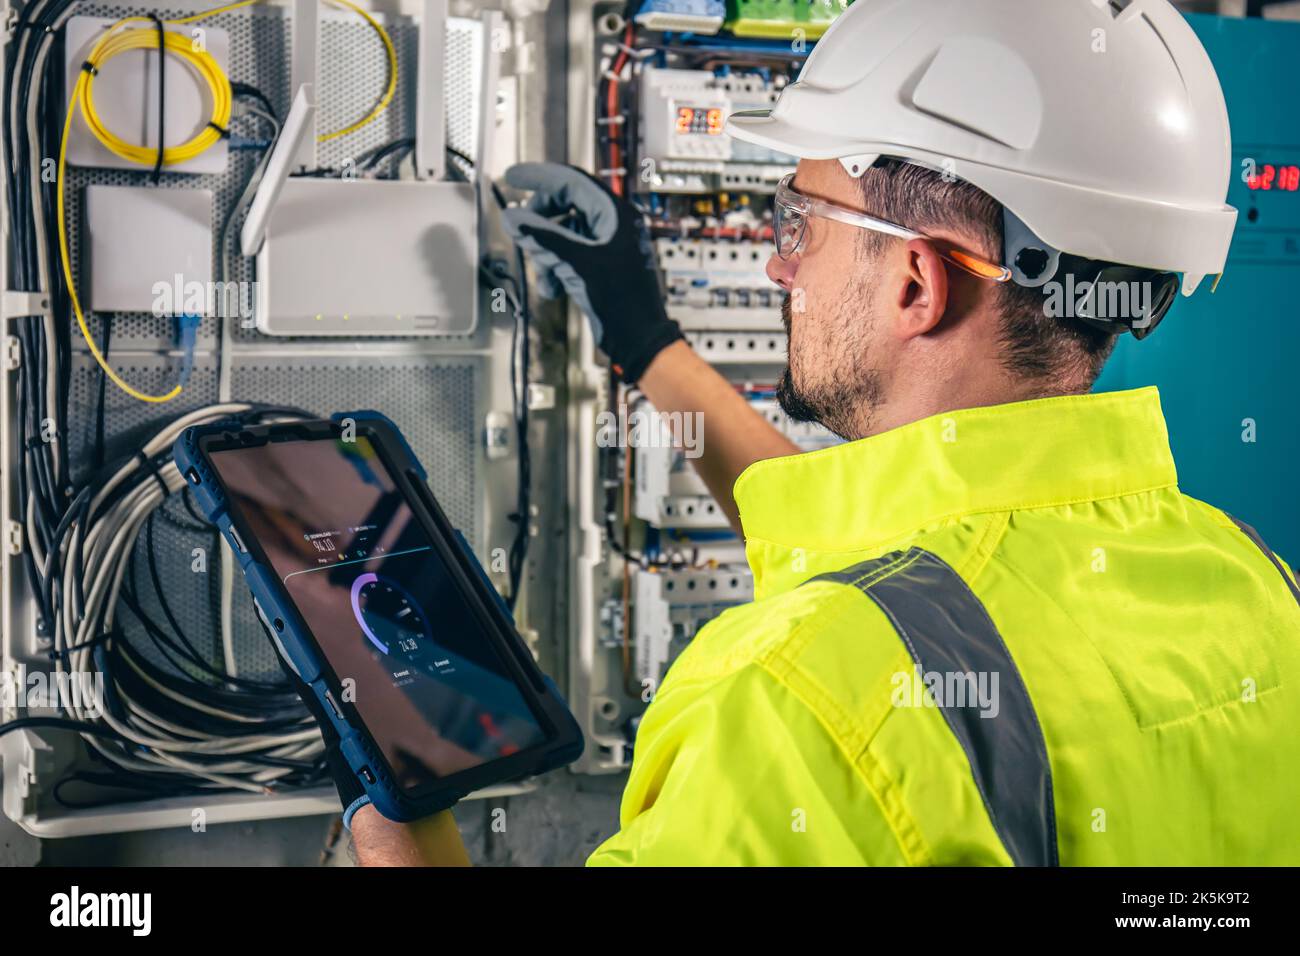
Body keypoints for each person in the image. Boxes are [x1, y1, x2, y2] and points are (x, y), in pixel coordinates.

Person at [345, 0, 1300, 865]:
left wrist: (395, 821)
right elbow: (912, 569)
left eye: (800, 224)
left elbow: (876, 629)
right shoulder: (1257, 584)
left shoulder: (792, 702)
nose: (775, 266)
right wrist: (646, 343)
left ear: (916, 285)